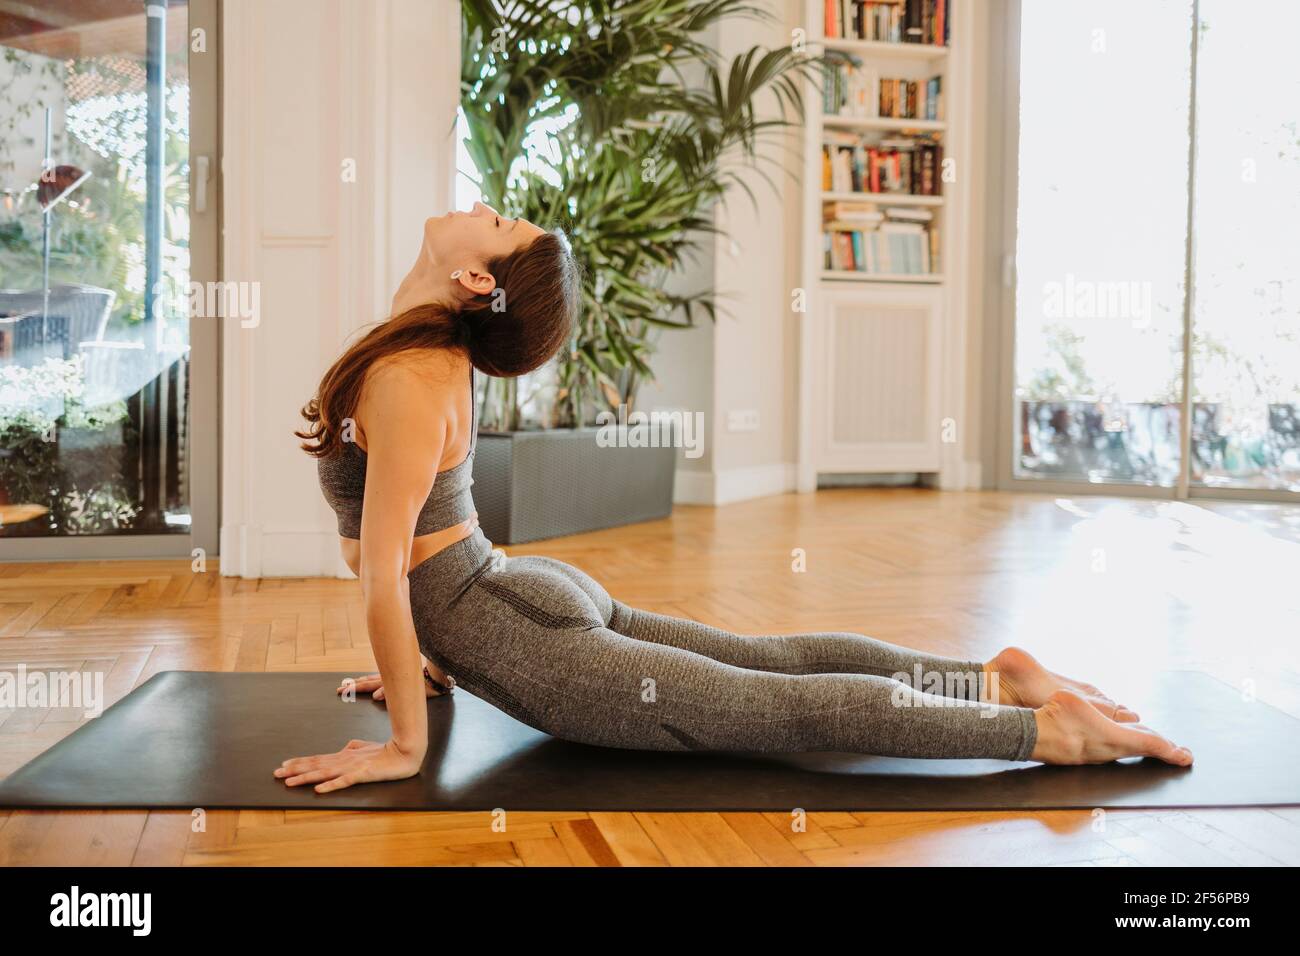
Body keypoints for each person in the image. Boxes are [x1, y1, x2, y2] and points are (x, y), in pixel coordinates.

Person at [281, 202, 1193, 794]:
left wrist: (406, 743)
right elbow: (415, 544)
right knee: (775, 663)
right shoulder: (420, 360)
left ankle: (1040, 730)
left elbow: (387, 573)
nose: (484, 209)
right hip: (512, 603)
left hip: (518, 630)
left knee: (779, 707)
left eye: (500, 224)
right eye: (507, 219)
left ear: (477, 281)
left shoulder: (408, 373)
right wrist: (432, 663)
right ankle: (995, 684)